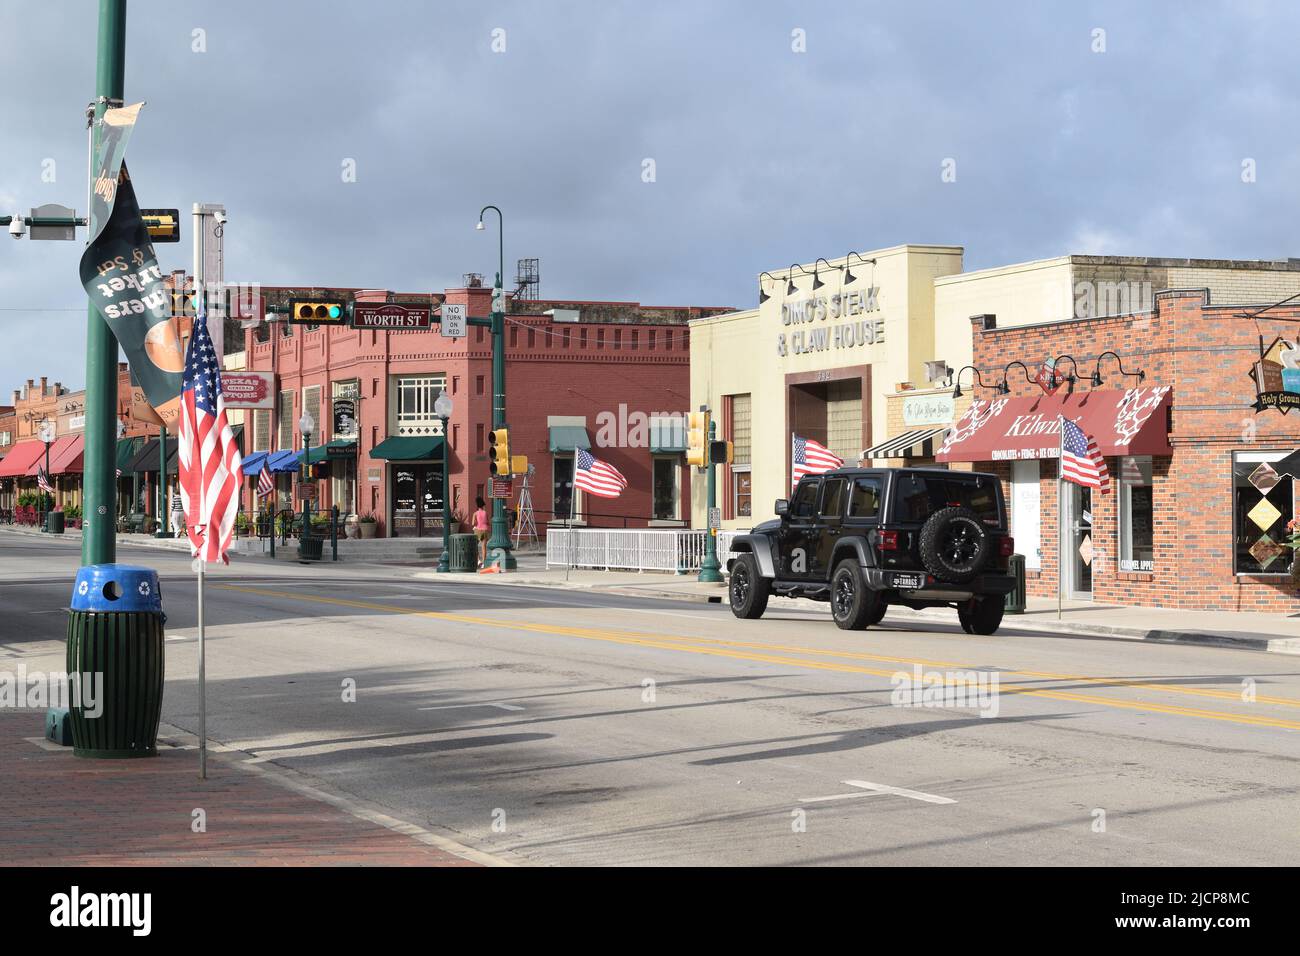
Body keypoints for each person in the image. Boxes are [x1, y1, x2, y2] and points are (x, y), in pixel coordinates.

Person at [473, 497, 490, 567]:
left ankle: (478, 560)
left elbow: (473, 523)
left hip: (478, 530)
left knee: (474, 546)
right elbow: (488, 522)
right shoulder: (485, 513)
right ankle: (484, 562)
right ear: (483, 505)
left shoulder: (475, 513)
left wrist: (476, 524)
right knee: (484, 547)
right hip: (485, 530)